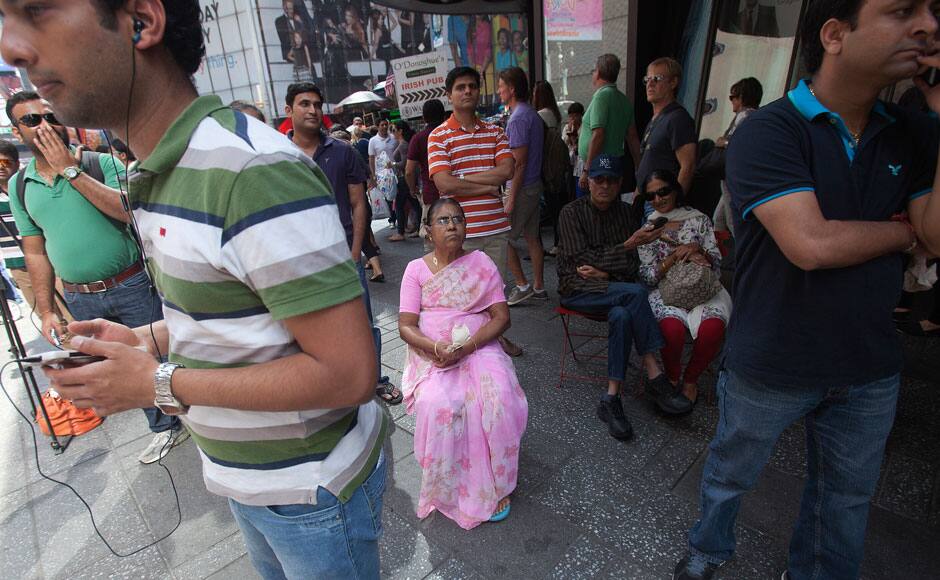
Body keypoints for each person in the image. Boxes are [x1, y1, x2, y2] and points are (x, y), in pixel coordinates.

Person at [0, 2, 389, 578]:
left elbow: (348, 372)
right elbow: (227, 316)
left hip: (311, 493)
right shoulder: (156, 170)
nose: (12, 46)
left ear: (141, 21)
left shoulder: (249, 173)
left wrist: (154, 382)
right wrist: (146, 339)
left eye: (38, 11)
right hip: (248, 482)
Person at [673, 1, 940, 578]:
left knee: (844, 503)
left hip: (869, 367)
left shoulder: (914, 133)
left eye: (932, 11)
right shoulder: (768, 130)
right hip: (772, 357)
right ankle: (708, 550)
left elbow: (936, 235)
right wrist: (899, 234)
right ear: (835, 34)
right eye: (901, 11)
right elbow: (810, 244)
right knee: (731, 471)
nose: (928, 27)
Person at [5, 91, 186, 465]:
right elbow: (35, 251)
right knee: (116, 361)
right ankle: (164, 428)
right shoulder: (21, 186)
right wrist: (45, 310)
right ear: (16, 130)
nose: (45, 126)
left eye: (51, 117)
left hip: (131, 283)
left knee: (164, 350)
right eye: (32, 120)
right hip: (80, 296)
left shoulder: (98, 162)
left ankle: (196, 410)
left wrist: (71, 171)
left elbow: (130, 211)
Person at [398, 197, 527, 529]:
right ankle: (447, 484)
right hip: (434, 354)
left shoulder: (481, 264)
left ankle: (495, 482)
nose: (452, 224)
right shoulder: (415, 270)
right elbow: (406, 325)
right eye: (442, 220)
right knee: (440, 403)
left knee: (496, 396)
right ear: (427, 231)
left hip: (479, 346)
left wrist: (469, 345)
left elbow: (502, 317)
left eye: (458, 219)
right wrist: (436, 347)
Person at [557, 154, 693, 441]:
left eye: (612, 180)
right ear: (588, 180)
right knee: (635, 294)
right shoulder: (571, 212)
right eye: (598, 179)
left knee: (622, 312)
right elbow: (579, 261)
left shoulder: (625, 214)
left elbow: (632, 264)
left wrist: (605, 271)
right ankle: (655, 373)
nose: (604, 185)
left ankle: (611, 397)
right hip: (578, 290)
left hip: (612, 288)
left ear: (620, 184)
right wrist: (625, 247)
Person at [285, 81, 402, 407]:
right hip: (302, 264)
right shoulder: (279, 156)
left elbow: (358, 203)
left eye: (316, 104)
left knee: (364, 323)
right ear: (288, 111)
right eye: (303, 104)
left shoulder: (342, 152)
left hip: (343, 257)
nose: (311, 110)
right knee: (310, 327)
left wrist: (355, 254)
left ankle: (375, 380)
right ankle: (331, 383)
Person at [428, 66, 522, 357]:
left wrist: (463, 182)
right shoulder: (438, 136)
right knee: (460, 296)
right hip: (458, 233)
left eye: (472, 86)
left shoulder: (495, 131)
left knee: (494, 294)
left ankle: (495, 339)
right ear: (449, 94)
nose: (467, 91)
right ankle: (463, 344)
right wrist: (487, 181)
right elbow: (443, 182)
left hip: (494, 228)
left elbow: (507, 170)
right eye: (460, 87)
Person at [636, 170, 729, 405]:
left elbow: (717, 264)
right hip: (667, 290)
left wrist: (698, 250)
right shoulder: (647, 230)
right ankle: (673, 377)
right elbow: (647, 277)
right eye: (651, 196)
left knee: (713, 328)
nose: (658, 199)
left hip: (703, 286)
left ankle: (691, 380)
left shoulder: (700, 220)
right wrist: (671, 259)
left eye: (663, 191)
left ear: (675, 190)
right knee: (671, 329)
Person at [498, 67, 546, 306]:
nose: (498, 91)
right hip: (533, 184)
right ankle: (538, 286)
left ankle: (522, 284)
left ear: (512, 89)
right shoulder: (531, 114)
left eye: (501, 86)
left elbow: (519, 163)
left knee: (502, 238)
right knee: (532, 237)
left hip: (523, 187)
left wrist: (511, 198)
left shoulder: (518, 118)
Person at [636, 57, 697, 209]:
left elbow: (688, 165)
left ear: (673, 83)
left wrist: (673, 207)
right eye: (647, 79)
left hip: (662, 205)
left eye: (657, 78)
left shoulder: (677, 118)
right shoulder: (655, 120)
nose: (650, 84)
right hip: (647, 202)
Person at [578, 54, 641, 198]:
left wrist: (587, 170)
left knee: (590, 209)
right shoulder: (623, 100)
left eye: (593, 71)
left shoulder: (601, 96)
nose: (593, 74)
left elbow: (599, 134)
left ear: (598, 72)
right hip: (614, 164)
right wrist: (639, 166)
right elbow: (632, 137)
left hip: (598, 168)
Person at [712, 77, 762, 237]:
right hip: (735, 174)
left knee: (733, 222)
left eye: (732, 97)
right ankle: (723, 256)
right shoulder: (756, 116)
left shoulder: (745, 115)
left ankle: (736, 256)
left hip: (733, 174)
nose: (731, 101)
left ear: (742, 97)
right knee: (719, 219)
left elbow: (741, 142)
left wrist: (723, 142)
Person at [533, 80, 567, 256]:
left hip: (547, 164)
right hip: (557, 163)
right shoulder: (555, 113)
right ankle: (559, 241)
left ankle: (557, 244)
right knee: (557, 206)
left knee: (553, 206)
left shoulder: (541, 114)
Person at [406, 99, 446, 235]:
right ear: (444, 115)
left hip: (431, 195)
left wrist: (412, 189)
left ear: (423, 117)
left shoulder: (418, 138)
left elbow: (409, 171)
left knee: (432, 239)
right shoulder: (451, 133)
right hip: (456, 194)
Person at [389, 120, 419, 241]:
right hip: (404, 178)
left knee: (400, 205)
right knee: (414, 204)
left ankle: (401, 232)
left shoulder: (403, 145)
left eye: (394, 130)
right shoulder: (402, 144)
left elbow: (405, 163)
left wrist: (393, 164)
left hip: (404, 178)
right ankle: (418, 227)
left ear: (400, 131)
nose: (393, 133)